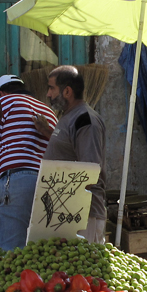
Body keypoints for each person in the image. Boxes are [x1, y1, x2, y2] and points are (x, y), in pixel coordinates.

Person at [0, 74, 57, 253]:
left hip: (17, 182)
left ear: (2, 92)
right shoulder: (48, 110)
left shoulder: (3, 102)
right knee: (36, 253)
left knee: (7, 254)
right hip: (47, 185)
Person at [34, 65, 107, 243]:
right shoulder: (68, 117)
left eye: (51, 88)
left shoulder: (85, 119)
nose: (48, 94)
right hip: (66, 213)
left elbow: (89, 171)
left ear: (67, 91)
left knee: (83, 270)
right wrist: (47, 132)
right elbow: (70, 150)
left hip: (82, 215)